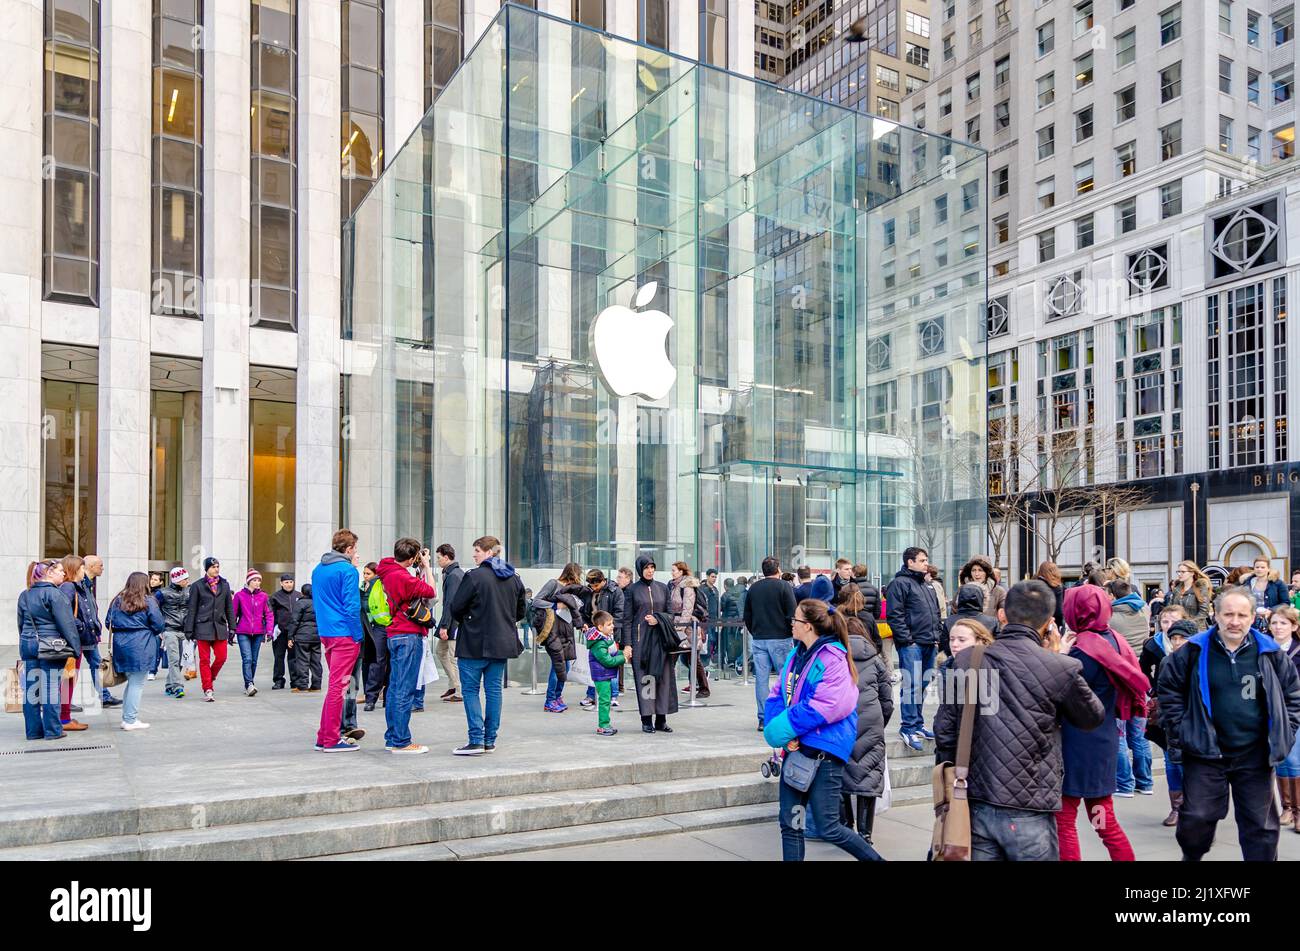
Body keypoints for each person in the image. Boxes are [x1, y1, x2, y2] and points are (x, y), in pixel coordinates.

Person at [934, 581, 1106, 861]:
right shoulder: (1061, 667)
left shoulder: (966, 661)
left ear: (1002, 615)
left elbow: (945, 731)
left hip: (976, 796)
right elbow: (1092, 717)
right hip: (1031, 803)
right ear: (1050, 623)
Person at [1158, 587, 1300, 861]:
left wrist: (1285, 731)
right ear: (1215, 615)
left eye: (1242, 615)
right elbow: (1169, 688)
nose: (1235, 621)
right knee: (1197, 818)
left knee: (1260, 825)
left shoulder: (1270, 654)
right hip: (1205, 752)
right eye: (1228, 614)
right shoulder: (1194, 651)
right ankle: (1192, 856)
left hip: (1254, 754)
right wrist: (1180, 728)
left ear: (1252, 618)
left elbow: (1293, 695)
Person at [765, 598, 884, 862]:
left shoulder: (832, 657)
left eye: (795, 619)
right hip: (798, 749)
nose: (791, 624)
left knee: (829, 827)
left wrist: (784, 729)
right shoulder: (796, 655)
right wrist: (783, 734)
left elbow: (829, 705)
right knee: (790, 823)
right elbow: (776, 696)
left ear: (808, 626)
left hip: (824, 752)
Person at [1055, 585, 1146, 861]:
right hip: (1103, 739)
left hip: (1077, 745)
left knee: (1065, 821)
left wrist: (1060, 656)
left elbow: (1062, 690)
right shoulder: (1113, 639)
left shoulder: (1083, 650)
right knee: (1103, 821)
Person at [449, 535, 526, 755]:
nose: (474, 554)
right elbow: (521, 611)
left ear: (489, 552)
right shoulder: (514, 577)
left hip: (474, 642)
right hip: (501, 643)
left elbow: (456, 607)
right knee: (494, 692)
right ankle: (490, 740)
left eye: (477, 551)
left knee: (471, 690)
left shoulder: (474, 577)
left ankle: (476, 739)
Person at [374, 538, 438, 754]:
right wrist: (427, 566)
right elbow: (431, 591)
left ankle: (392, 736)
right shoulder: (403, 577)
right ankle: (402, 740)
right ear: (411, 559)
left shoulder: (387, 571)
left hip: (394, 633)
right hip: (409, 633)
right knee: (405, 688)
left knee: (394, 687)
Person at [841, 598, 894, 844]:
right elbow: (887, 700)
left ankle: (845, 825)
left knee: (842, 774)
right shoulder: (876, 661)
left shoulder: (835, 659)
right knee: (869, 776)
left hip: (842, 721)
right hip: (871, 721)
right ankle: (866, 833)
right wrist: (878, 723)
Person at [310, 529, 364, 752]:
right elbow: (352, 606)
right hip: (344, 633)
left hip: (327, 632)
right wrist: (358, 635)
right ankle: (331, 739)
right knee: (338, 688)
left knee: (335, 686)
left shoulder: (318, 569)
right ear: (349, 549)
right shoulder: (348, 571)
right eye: (355, 549)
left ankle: (324, 736)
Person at [887, 546, 943, 751]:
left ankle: (918, 724)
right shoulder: (899, 584)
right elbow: (895, 615)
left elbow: (936, 613)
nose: (925, 563)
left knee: (923, 684)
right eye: (922, 560)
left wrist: (937, 638)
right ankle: (908, 727)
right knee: (911, 685)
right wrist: (907, 640)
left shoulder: (927, 585)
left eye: (926, 560)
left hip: (929, 643)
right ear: (910, 562)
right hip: (912, 645)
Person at [1144, 616, 1195, 827]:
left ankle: (1192, 809)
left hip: (1193, 725)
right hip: (1168, 723)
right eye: (1174, 638)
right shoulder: (1167, 661)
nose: (1177, 642)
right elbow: (1162, 690)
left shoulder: (1202, 662)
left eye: (1182, 638)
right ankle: (1176, 808)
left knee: (1190, 769)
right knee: (1171, 766)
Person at [18, 560, 77, 741]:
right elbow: (67, 624)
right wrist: (75, 648)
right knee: (51, 688)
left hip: (28, 643)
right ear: (49, 573)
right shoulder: (55, 594)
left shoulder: (25, 594)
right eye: (60, 570)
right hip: (51, 645)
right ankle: (53, 730)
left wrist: (26, 639)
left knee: (31, 690)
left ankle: (33, 731)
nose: (63, 574)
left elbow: (21, 623)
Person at [1105, 579, 1154, 798]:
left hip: (1120, 676)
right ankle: (1145, 782)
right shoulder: (1144, 610)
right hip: (1140, 674)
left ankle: (1124, 784)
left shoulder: (1112, 618)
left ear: (1113, 596)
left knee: (1119, 732)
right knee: (1139, 733)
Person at [623, 554, 679, 734]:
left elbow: (670, 615)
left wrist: (657, 619)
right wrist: (628, 644)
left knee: (663, 679)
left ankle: (661, 719)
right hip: (641, 642)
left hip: (661, 641)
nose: (650, 570)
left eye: (652, 567)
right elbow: (627, 620)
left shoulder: (663, 588)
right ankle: (647, 719)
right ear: (640, 569)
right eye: (646, 567)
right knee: (646, 679)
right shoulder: (632, 590)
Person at [105, 572, 167, 732]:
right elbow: (158, 624)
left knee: (132, 682)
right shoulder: (149, 600)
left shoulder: (117, 600)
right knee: (137, 683)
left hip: (121, 644)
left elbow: (108, 622)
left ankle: (128, 717)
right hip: (142, 643)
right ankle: (130, 719)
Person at [743, 556, 797, 731]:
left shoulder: (754, 588)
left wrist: (755, 631)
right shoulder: (784, 587)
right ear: (778, 569)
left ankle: (763, 717)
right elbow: (792, 614)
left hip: (759, 638)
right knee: (785, 678)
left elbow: (747, 615)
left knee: (761, 679)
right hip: (781, 637)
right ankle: (784, 715)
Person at [534, 563, 585, 713]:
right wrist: (556, 605)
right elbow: (536, 601)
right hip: (553, 630)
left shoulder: (572, 589)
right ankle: (550, 700)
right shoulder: (553, 583)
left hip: (566, 630)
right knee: (558, 665)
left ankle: (556, 696)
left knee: (566, 666)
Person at [184, 556, 236, 702]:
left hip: (219, 627)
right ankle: (208, 688)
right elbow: (192, 609)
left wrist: (232, 627)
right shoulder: (197, 586)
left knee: (222, 657)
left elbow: (229, 608)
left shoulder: (224, 585)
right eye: (213, 567)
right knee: (204, 660)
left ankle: (209, 677)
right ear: (207, 569)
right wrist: (189, 629)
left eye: (218, 566)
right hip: (202, 627)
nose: (216, 569)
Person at [1269, 605, 1300, 833]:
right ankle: (1287, 807)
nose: (1278, 627)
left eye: (1283, 623)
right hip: (1271, 711)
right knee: (1280, 757)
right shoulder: (1265, 649)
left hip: (1294, 710)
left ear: (1294, 626)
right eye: (1274, 623)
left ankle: (1298, 810)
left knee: (1294, 759)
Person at [79, 555, 119, 709]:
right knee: (80, 666)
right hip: (83, 633)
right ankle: (64, 702)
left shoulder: (88, 584)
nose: (102, 568)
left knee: (96, 663)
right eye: (100, 565)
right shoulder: (78, 584)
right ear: (90, 566)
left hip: (89, 633)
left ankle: (104, 695)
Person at [581, 569, 625, 711]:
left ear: (603, 580)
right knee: (594, 664)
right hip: (594, 631)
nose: (594, 588)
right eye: (592, 586)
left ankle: (613, 695)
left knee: (609, 663)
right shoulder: (589, 592)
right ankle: (591, 694)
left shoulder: (615, 591)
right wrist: (584, 623)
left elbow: (620, 613)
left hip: (609, 631)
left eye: (596, 585)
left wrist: (609, 628)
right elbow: (584, 612)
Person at [57, 556, 92, 730]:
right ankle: (64, 719)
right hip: (71, 641)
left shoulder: (72, 586)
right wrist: (81, 626)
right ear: (75, 569)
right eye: (82, 568)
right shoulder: (69, 587)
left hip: (72, 639)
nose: (84, 571)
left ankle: (64, 717)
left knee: (68, 679)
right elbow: (65, 613)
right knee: (68, 680)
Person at [668, 561, 709, 700]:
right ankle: (670, 688)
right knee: (684, 658)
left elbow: (687, 608)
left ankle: (703, 688)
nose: (672, 572)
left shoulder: (687, 586)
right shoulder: (674, 585)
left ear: (681, 572)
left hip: (688, 627)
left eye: (674, 570)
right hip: (678, 625)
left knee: (691, 658)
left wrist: (682, 626)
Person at [585, 610, 630, 736]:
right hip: (601, 676)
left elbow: (612, 653)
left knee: (606, 699)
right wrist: (624, 658)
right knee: (604, 700)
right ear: (600, 627)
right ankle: (603, 726)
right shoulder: (599, 644)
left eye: (612, 624)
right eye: (609, 624)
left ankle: (605, 724)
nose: (613, 626)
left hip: (605, 674)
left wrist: (622, 653)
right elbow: (608, 661)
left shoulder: (605, 638)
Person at [231, 569, 274, 697]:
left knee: (254, 660)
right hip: (243, 631)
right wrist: (231, 631)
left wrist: (270, 630)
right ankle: (249, 684)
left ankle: (250, 683)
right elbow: (233, 614)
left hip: (258, 632)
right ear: (248, 581)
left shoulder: (264, 596)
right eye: (254, 580)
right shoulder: (239, 596)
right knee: (247, 658)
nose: (257, 583)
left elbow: (269, 614)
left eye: (259, 580)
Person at [432, 544, 464, 703]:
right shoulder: (453, 573)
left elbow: (451, 602)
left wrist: (445, 626)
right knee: (441, 652)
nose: (437, 561)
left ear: (446, 557)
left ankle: (459, 690)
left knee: (452, 656)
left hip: (454, 623)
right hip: (452, 622)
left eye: (438, 557)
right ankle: (454, 685)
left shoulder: (454, 575)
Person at [155, 567, 190, 699]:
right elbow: (154, 610)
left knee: (181, 661)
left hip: (186, 631)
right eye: (185, 578)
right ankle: (177, 686)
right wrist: (159, 628)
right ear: (178, 580)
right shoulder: (162, 593)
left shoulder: (189, 591)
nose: (187, 580)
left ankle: (169, 685)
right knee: (174, 659)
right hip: (170, 629)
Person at [361, 563, 390, 709]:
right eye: (364, 573)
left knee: (378, 662)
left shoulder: (376, 584)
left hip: (381, 627)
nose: (366, 577)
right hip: (378, 627)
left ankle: (373, 698)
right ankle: (374, 697)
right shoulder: (364, 586)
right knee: (379, 662)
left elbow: (366, 605)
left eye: (368, 574)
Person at [941, 583, 998, 657]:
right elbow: (996, 647)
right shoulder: (992, 621)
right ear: (981, 600)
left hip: (955, 661)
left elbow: (944, 647)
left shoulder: (949, 620)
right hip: (982, 661)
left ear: (959, 599)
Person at [288, 584, 323, 692]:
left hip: (302, 636)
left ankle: (303, 685)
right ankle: (316, 685)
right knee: (316, 661)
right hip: (316, 636)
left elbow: (295, 621)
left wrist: (290, 636)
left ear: (302, 593)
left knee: (302, 661)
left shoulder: (300, 603)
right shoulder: (318, 603)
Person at [269, 574, 301, 690]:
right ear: (281, 583)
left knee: (294, 657)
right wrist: (273, 628)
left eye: (291, 582)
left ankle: (295, 681)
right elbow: (270, 614)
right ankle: (278, 680)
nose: (289, 584)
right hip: (280, 632)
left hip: (294, 632)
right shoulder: (275, 597)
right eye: (286, 582)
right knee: (279, 657)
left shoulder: (299, 596)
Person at [1166, 560, 1213, 631]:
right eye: (1178, 571)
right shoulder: (1176, 589)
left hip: (1197, 629)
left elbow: (1204, 611)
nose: (1179, 574)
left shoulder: (1200, 587)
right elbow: (1170, 607)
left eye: (1183, 572)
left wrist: (1189, 624)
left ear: (1192, 573)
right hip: (1178, 628)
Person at [1246, 557, 1290, 629]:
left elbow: (1286, 603)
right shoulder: (1247, 582)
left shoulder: (1278, 583)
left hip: (1270, 620)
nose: (1259, 569)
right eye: (1257, 567)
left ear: (1268, 569)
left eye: (1263, 567)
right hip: (1250, 620)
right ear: (1254, 568)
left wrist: (1271, 610)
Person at [1036, 561, 1065, 631]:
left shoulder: (1033, 585)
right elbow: (1059, 613)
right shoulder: (1057, 588)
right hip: (1052, 627)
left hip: (1035, 627)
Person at [700, 568, 720, 667]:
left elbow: (717, 605)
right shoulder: (703, 589)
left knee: (712, 640)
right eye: (712, 576)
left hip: (714, 619)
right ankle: (705, 662)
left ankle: (708, 660)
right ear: (707, 576)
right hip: (706, 619)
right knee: (707, 640)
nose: (714, 579)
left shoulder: (715, 589)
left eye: (715, 577)